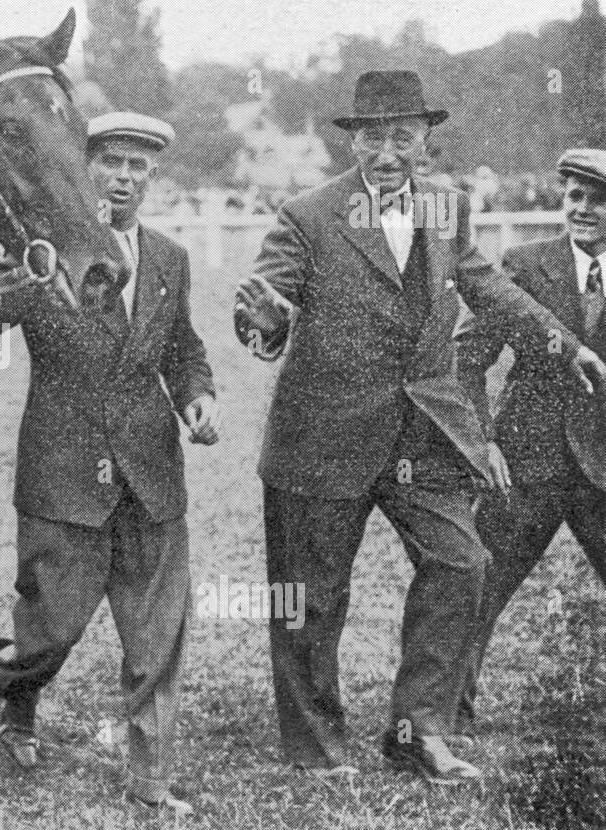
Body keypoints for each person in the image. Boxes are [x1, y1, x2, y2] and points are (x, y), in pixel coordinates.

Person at [234, 71, 606, 783]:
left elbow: (489, 288)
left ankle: (418, 730)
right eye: (372, 137)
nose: (386, 152)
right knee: (313, 592)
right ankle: (314, 744)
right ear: (354, 141)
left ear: (426, 142)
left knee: (461, 561)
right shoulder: (308, 215)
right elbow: (267, 301)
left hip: (425, 431)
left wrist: (567, 342)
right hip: (324, 434)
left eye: (402, 137)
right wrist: (264, 319)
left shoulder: (448, 207)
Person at [0, 112, 220, 812]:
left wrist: (197, 396)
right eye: (111, 163)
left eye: (139, 167)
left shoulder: (169, 258)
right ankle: (13, 696)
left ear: (151, 178)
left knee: (157, 635)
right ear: (86, 170)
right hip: (64, 477)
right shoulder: (41, 250)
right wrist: (10, 285)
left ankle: (150, 779)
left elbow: (183, 349)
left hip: (152, 476)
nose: (125, 178)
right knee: (50, 632)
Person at [457, 148, 606, 729]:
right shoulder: (524, 264)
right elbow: (467, 355)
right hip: (523, 462)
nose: (584, 209)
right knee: (477, 583)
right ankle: (445, 710)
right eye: (575, 196)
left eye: (599, 200)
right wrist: (482, 439)